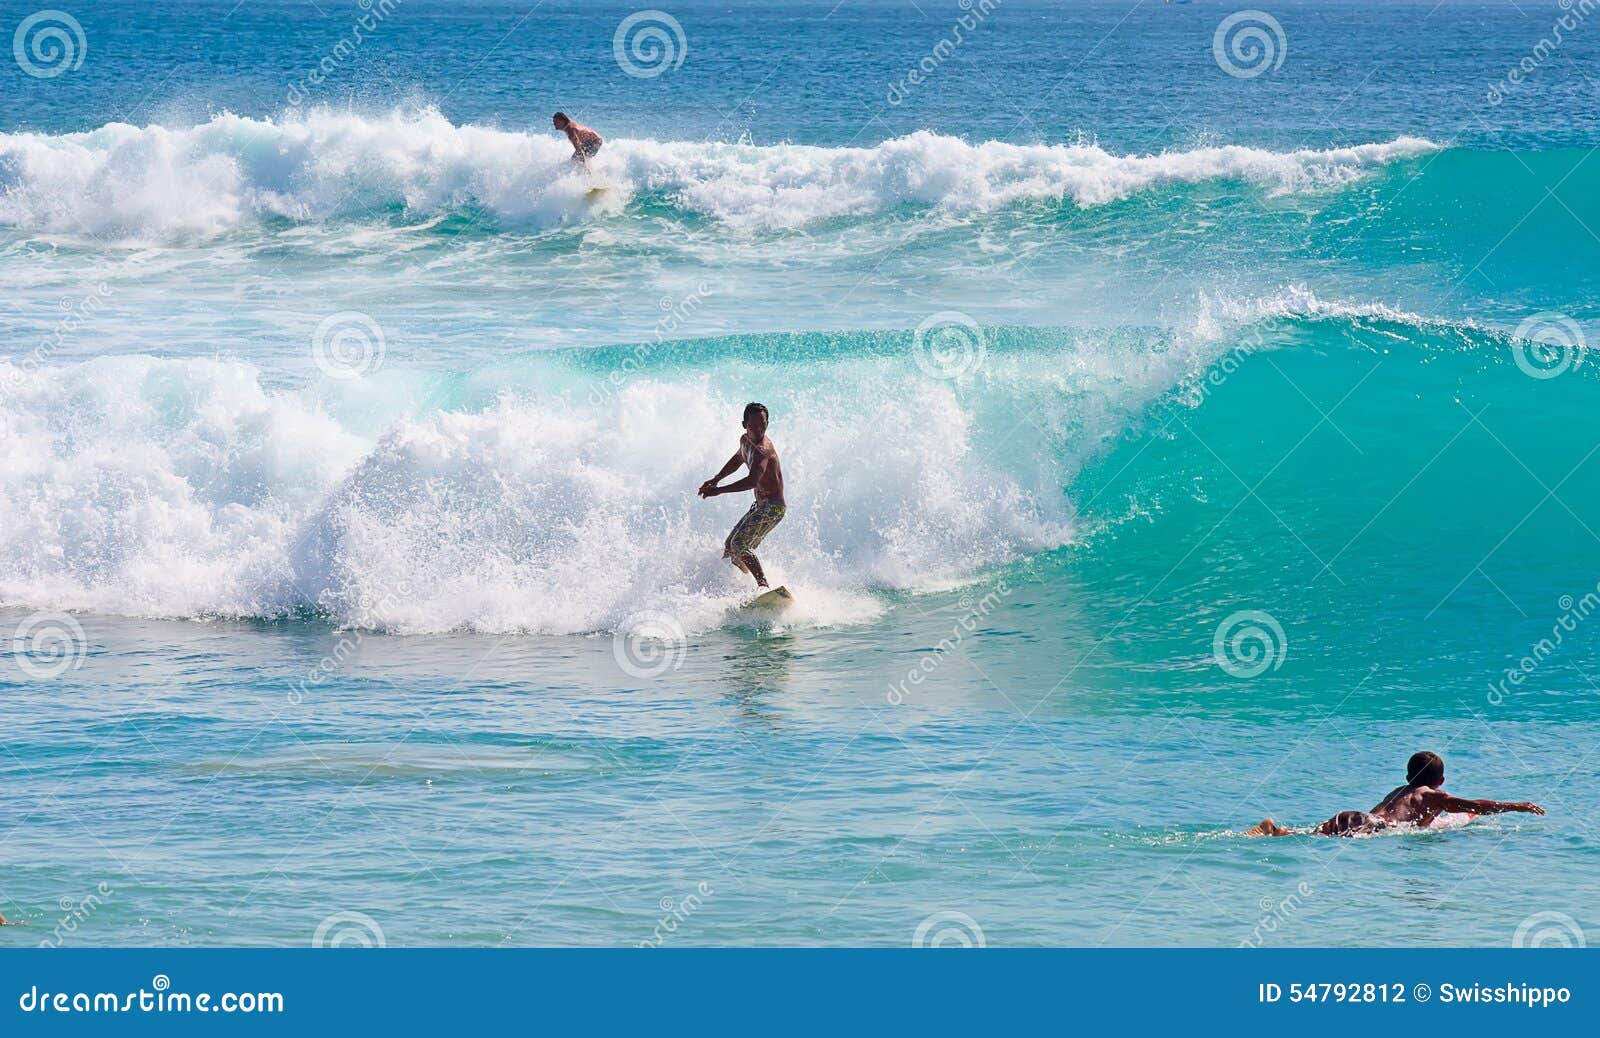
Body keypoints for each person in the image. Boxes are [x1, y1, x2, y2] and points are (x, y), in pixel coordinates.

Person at [1246, 751, 1545, 837]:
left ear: (1407, 776)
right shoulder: (1431, 796)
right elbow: (1475, 806)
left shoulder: (1399, 790)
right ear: (1441, 779)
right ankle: (1277, 831)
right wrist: (1517, 806)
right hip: (1375, 827)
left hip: (1359, 816)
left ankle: (1276, 829)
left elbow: (1462, 811)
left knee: (1315, 834)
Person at [699, 402, 786, 588]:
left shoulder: (763, 452)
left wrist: (719, 490)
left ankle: (763, 587)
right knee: (730, 546)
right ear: (744, 425)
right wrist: (716, 479)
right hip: (761, 505)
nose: (758, 429)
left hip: (773, 507)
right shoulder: (745, 440)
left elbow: (752, 481)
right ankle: (739, 584)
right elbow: (739, 458)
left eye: (763, 424)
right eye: (753, 425)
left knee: (740, 545)